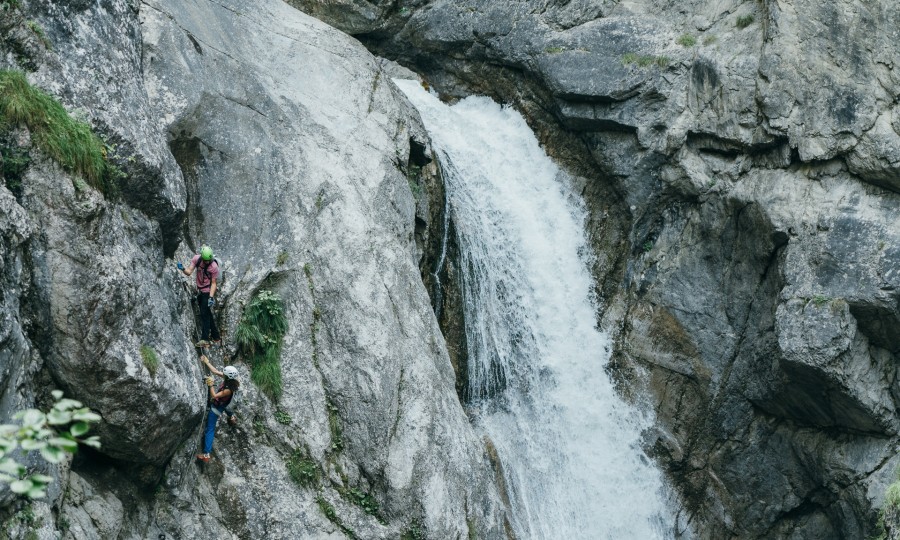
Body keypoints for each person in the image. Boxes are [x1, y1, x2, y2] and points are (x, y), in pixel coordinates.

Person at [196, 355, 239, 463]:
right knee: (226, 406)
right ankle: (232, 417)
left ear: (227, 376)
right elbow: (215, 371)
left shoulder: (228, 390)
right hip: (224, 403)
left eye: (224, 374)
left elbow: (215, 395)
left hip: (216, 408)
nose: (223, 374)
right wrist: (207, 362)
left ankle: (206, 454)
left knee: (210, 429)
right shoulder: (232, 380)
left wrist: (210, 384)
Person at [177, 245, 220, 346]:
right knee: (208, 313)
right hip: (199, 289)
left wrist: (210, 297)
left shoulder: (213, 266)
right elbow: (189, 272)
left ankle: (205, 339)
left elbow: (214, 283)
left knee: (204, 313)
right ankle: (216, 336)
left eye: (208, 260)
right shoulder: (197, 259)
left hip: (207, 290)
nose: (207, 262)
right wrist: (182, 268)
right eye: (205, 261)